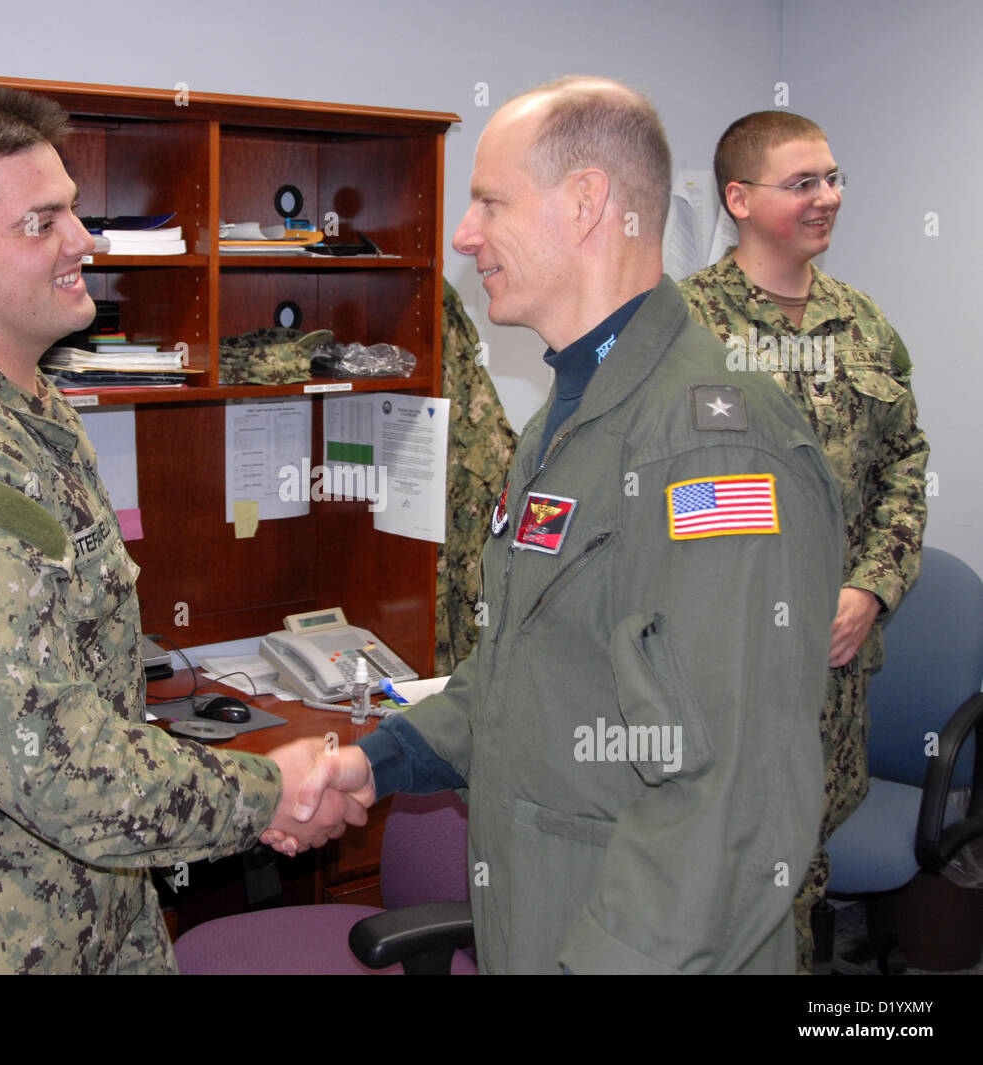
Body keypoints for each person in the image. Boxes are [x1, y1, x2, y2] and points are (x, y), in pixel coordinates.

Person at [265, 76, 846, 973]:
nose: (465, 235)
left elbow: (729, 798)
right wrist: (383, 761)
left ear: (587, 203)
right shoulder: (566, 418)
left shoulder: (711, 446)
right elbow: (531, 672)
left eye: (490, 202)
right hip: (540, 921)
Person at [0, 84, 362, 974]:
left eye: (72, 209)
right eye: (42, 222)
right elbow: (59, 765)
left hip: (96, 916)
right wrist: (271, 790)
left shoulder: (30, 404)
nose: (84, 241)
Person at [678, 111, 929, 972]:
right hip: (726, 670)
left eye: (832, 178)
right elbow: (654, 489)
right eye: (803, 183)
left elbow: (905, 464)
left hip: (834, 669)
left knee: (802, 869)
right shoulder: (681, 328)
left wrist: (871, 587)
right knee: (724, 877)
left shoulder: (863, 324)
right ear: (740, 199)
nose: (827, 198)